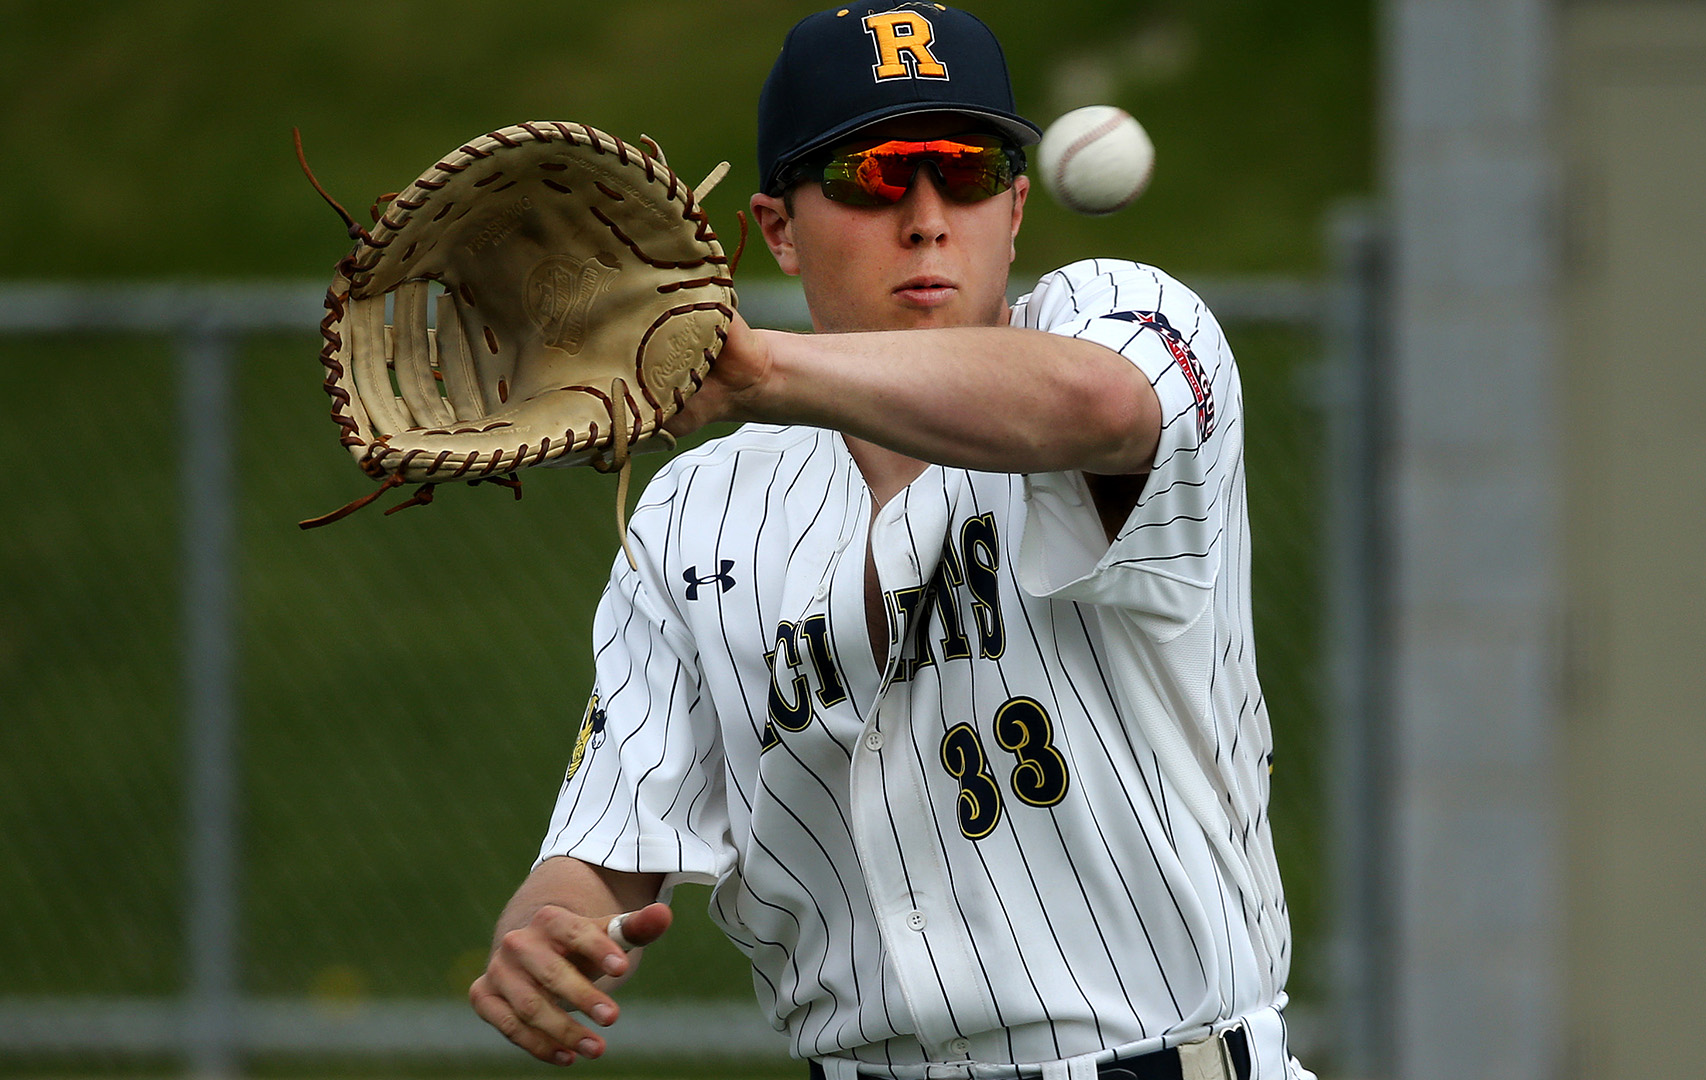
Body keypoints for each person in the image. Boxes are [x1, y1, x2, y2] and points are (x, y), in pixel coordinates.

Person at [470, 4, 1312, 1078]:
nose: (925, 217)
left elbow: (1097, 408)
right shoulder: (693, 514)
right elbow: (603, 854)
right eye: (873, 176)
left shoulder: (1128, 319)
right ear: (778, 228)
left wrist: (761, 373)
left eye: (964, 172)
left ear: (1014, 207)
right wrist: (542, 929)